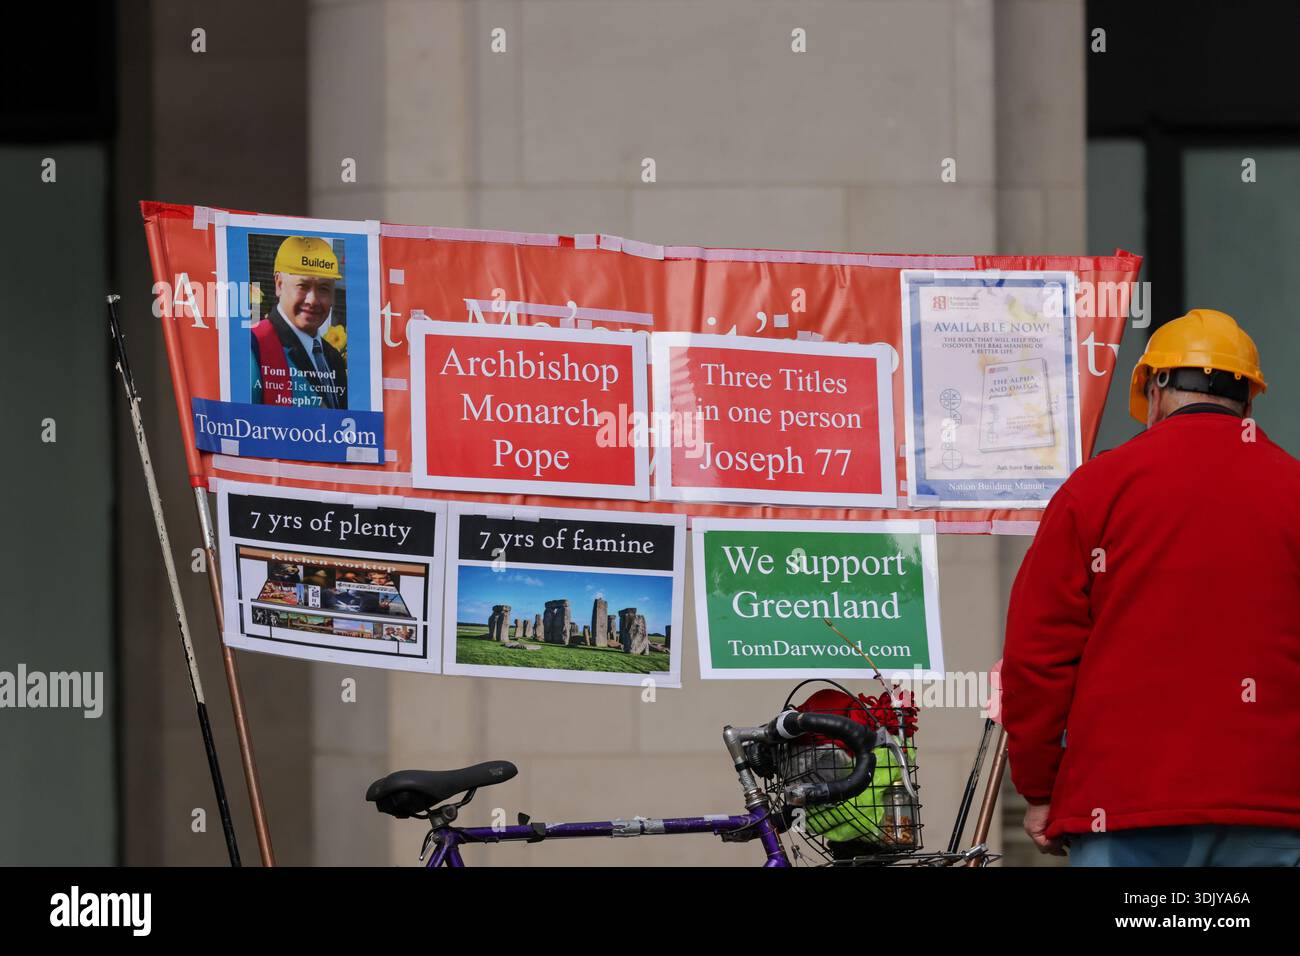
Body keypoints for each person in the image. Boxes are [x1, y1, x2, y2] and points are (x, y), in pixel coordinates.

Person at [1001, 308, 1300, 866]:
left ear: (1155, 388)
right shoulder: (1294, 487)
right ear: (1249, 400)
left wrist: (1040, 788)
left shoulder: (1096, 488)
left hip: (1124, 805)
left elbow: (1037, 655)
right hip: (1274, 807)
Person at [250, 235, 347, 408]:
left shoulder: (333, 357)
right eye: (303, 286)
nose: (313, 300)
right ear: (279, 284)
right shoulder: (254, 345)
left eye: (323, 289)